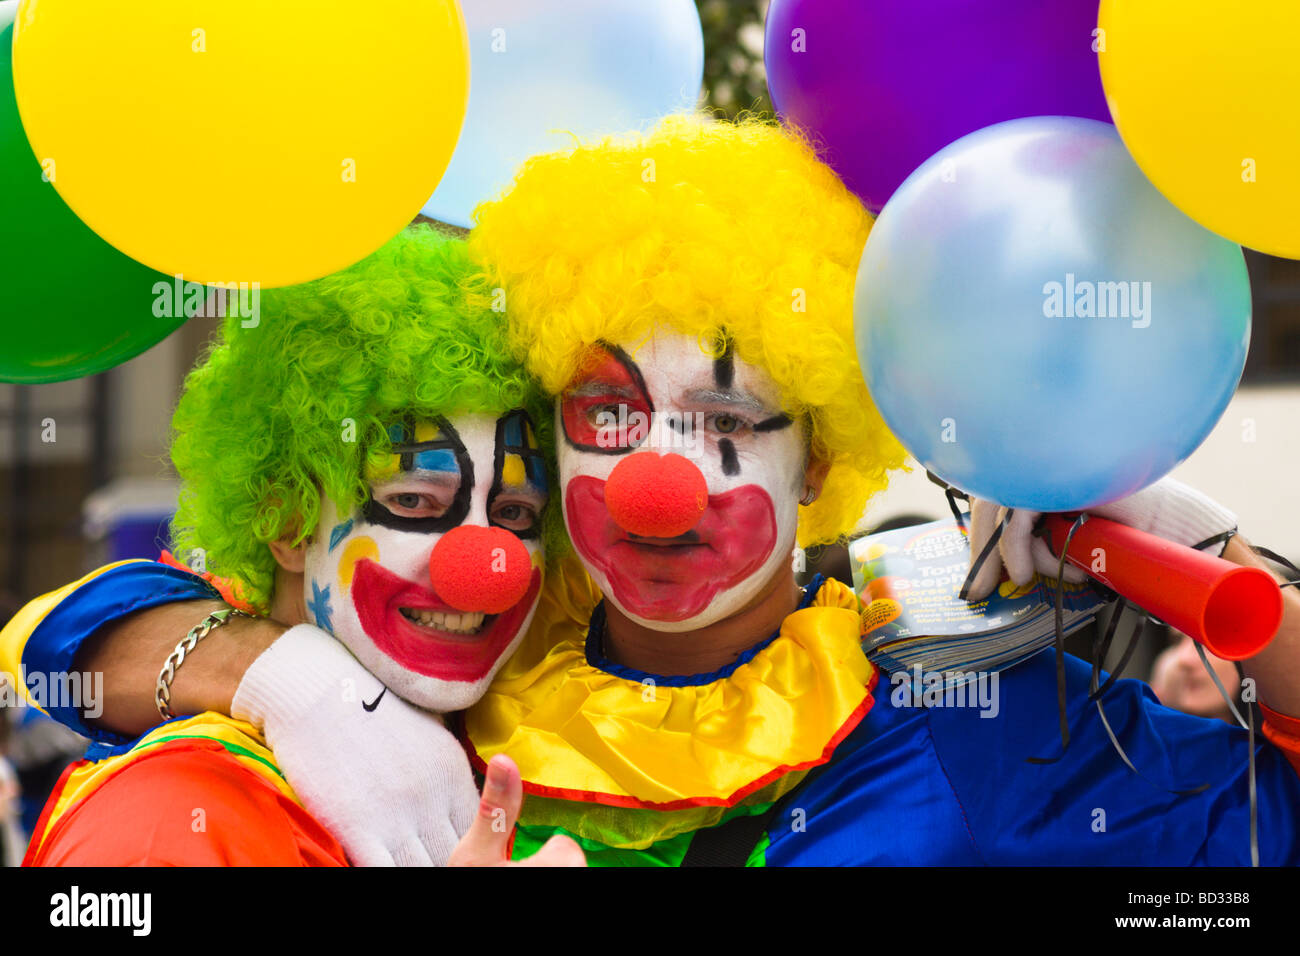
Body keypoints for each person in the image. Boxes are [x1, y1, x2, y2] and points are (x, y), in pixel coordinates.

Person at [7, 117, 1300, 865]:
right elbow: (54, 649)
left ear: (824, 462)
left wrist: (1198, 550)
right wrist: (265, 670)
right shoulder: (447, 697)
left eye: (730, 417)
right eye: (608, 415)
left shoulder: (998, 725)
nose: (660, 482)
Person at [2, 227, 581, 865]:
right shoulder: (174, 814)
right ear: (289, 521)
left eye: (515, 513)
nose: (483, 571)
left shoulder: (529, 749)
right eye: (413, 501)